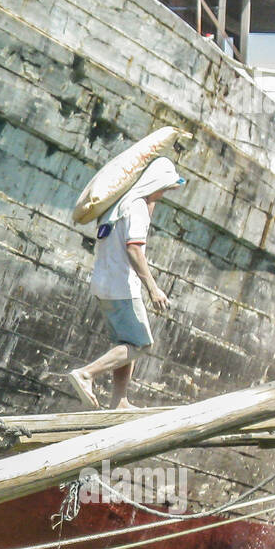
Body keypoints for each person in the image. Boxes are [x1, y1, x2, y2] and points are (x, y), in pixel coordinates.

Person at [64, 157, 185, 410]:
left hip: (103, 283)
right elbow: (134, 250)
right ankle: (86, 374)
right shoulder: (137, 207)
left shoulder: (117, 206)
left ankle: (119, 401)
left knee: (126, 343)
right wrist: (153, 289)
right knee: (141, 344)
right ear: (155, 184)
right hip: (122, 286)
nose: (163, 195)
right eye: (164, 189)